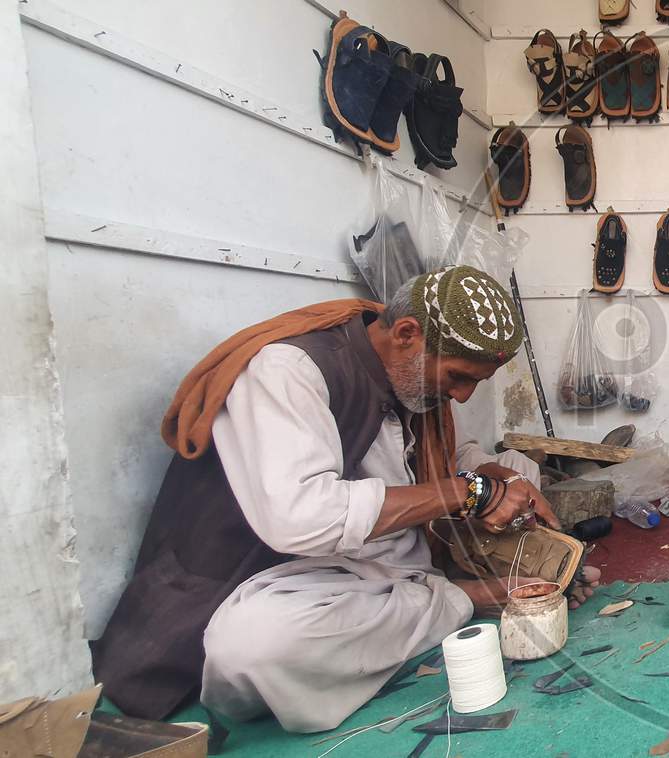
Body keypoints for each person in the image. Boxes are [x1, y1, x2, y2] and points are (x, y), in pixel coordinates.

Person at [93, 265, 600, 732]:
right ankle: (468, 598)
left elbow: (442, 455)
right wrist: (465, 492)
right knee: (253, 647)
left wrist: (486, 474)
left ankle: (469, 592)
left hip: (387, 567)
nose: (463, 396)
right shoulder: (288, 370)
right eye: (458, 378)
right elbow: (301, 521)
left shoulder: (410, 379)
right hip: (275, 576)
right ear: (406, 335)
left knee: (516, 467)